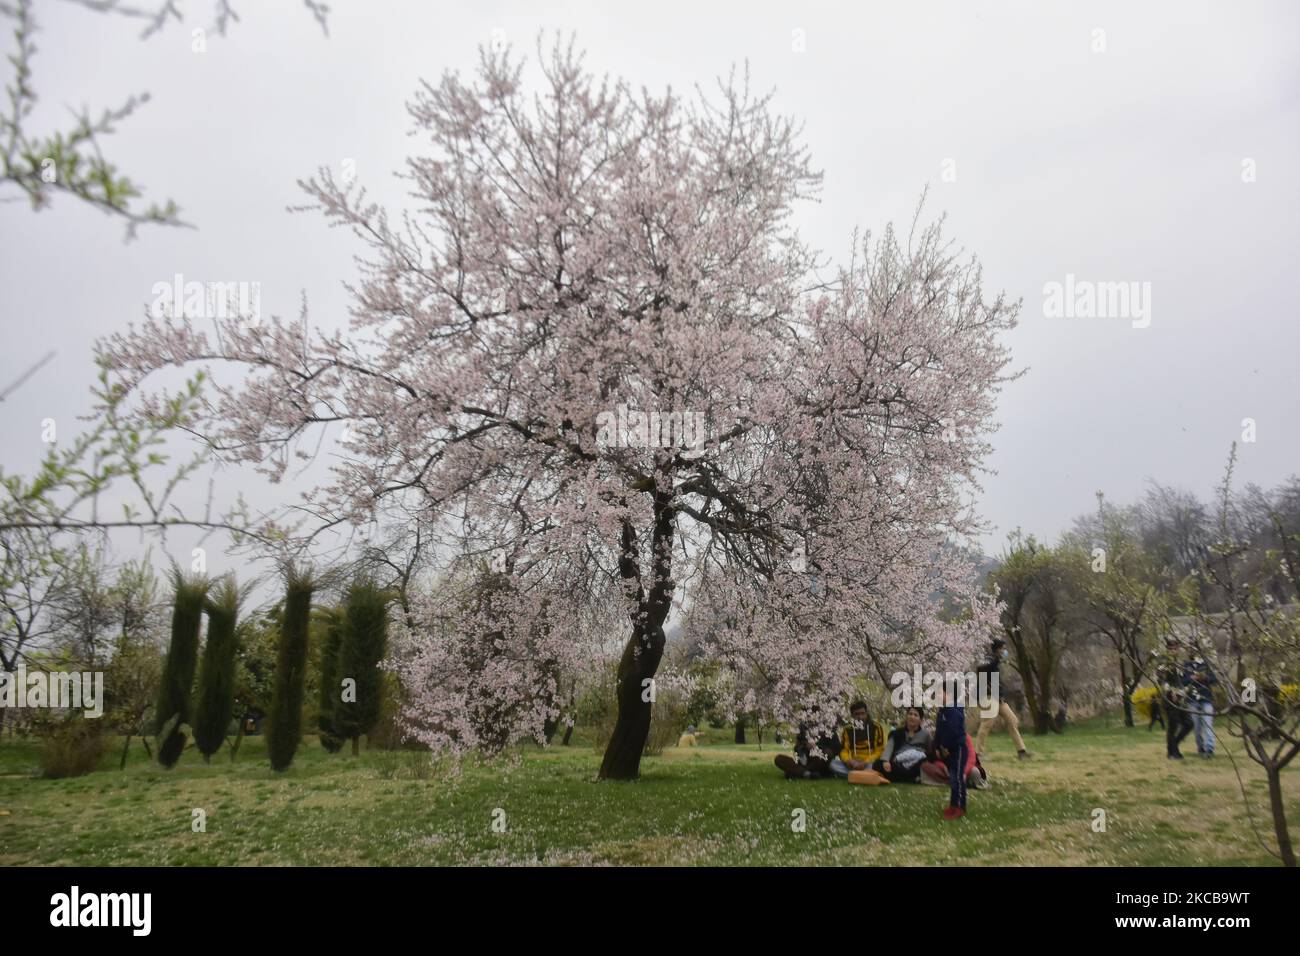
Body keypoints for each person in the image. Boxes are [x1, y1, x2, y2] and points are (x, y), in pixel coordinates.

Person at [974, 638, 1032, 760]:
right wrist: (996, 660)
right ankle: (978, 754)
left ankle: (1021, 751)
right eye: (1003, 649)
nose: (1005, 651)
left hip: (998, 698)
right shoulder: (988, 660)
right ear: (998, 649)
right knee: (986, 724)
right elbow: (981, 668)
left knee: (1012, 720)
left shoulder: (995, 662)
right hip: (988, 697)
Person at [1154, 637, 1193, 760]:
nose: (1173, 650)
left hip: (1181, 697)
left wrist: (1185, 691)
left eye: (1175, 648)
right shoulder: (1163, 662)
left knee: (1189, 724)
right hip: (1169, 698)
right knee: (1173, 725)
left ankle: (1174, 745)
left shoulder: (1181, 662)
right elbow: (1161, 680)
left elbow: (1187, 680)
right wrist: (1170, 692)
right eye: (1170, 648)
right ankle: (1172, 753)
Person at [872, 706, 932, 783]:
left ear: (920, 720)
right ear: (906, 716)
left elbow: (929, 751)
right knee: (877, 764)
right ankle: (910, 779)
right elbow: (889, 748)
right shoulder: (897, 733)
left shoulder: (925, 734)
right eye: (910, 714)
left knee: (924, 762)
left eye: (915, 715)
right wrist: (885, 761)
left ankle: (902, 778)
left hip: (915, 765)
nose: (912, 717)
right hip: (898, 764)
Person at [936, 684, 968, 820]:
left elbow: (953, 732)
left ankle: (960, 807)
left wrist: (946, 747)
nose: (937, 696)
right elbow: (939, 732)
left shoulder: (954, 712)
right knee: (952, 779)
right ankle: (953, 805)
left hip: (958, 750)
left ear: (948, 695)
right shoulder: (942, 712)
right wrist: (937, 747)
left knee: (958, 779)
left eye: (939, 693)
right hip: (947, 751)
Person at [830, 701, 886, 778]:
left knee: (880, 765)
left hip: (870, 763)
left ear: (867, 713)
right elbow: (843, 750)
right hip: (854, 764)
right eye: (857, 714)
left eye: (863, 713)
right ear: (852, 715)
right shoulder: (847, 729)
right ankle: (864, 775)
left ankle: (855, 775)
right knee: (833, 764)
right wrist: (849, 761)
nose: (860, 717)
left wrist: (866, 762)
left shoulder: (876, 727)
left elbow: (880, 750)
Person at [774, 714, 841, 780]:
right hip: (804, 761)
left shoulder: (829, 730)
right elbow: (796, 748)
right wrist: (802, 746)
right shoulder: (803, 728)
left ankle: (797, 772)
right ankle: (806, 774)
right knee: (779, 759)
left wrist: (817, 748)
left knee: (819, 758)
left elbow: (835, 750)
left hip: (819, 762)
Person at [1184, 654, 1218, 758]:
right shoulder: (1185, 666)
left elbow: (1214, 680)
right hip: (1192, 700)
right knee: (1196, 726)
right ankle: (1200, 746)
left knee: (1208, 723)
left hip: (1206, 698)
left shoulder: (1206, 665)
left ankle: (1209, 748)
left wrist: (1205, 678)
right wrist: (1192, 678)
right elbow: (1182, 681)